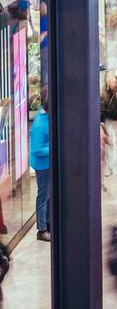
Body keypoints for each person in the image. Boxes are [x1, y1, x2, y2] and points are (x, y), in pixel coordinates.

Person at [29, 91, 50, 241]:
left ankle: (46, 223)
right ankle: (41, 230)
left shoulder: (45, 119)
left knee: (47, 196)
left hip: (46, 164)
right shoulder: (40, 124)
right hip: (42, 166)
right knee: (42, 196)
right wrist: (53, 147)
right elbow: (37, 149)